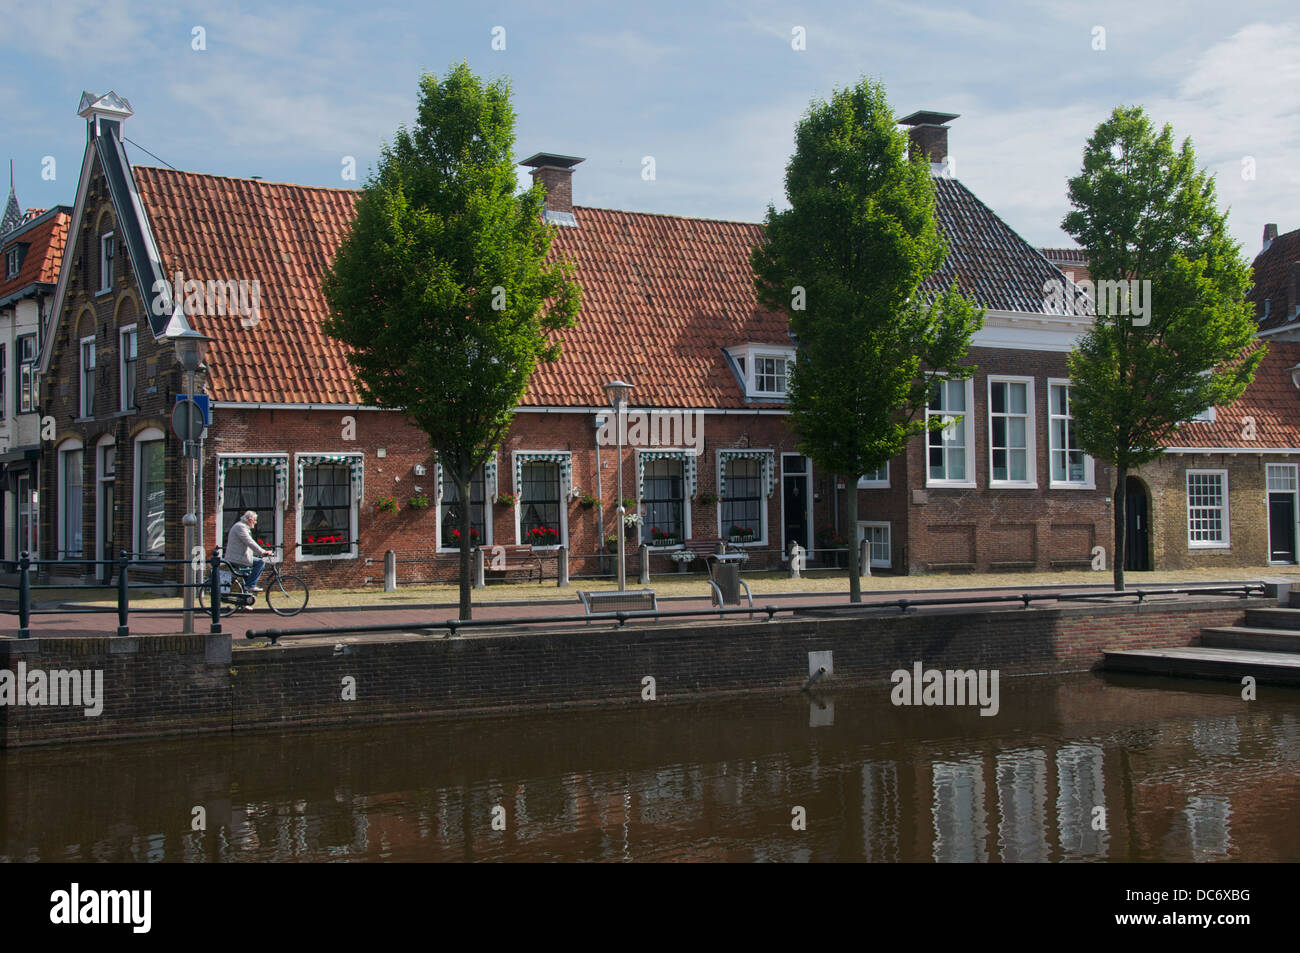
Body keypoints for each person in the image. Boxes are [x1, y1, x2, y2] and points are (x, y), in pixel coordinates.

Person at [226, 510, 270, 591]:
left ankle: (244, 599)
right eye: (255, 520)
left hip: (240, 556)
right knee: (260, 562)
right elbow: (249, 542)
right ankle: (251, 585)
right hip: (237, 558)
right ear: (250, 520)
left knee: (247, 576)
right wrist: (262, 552)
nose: (256, 522)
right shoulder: (240, 527)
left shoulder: (243, 527)